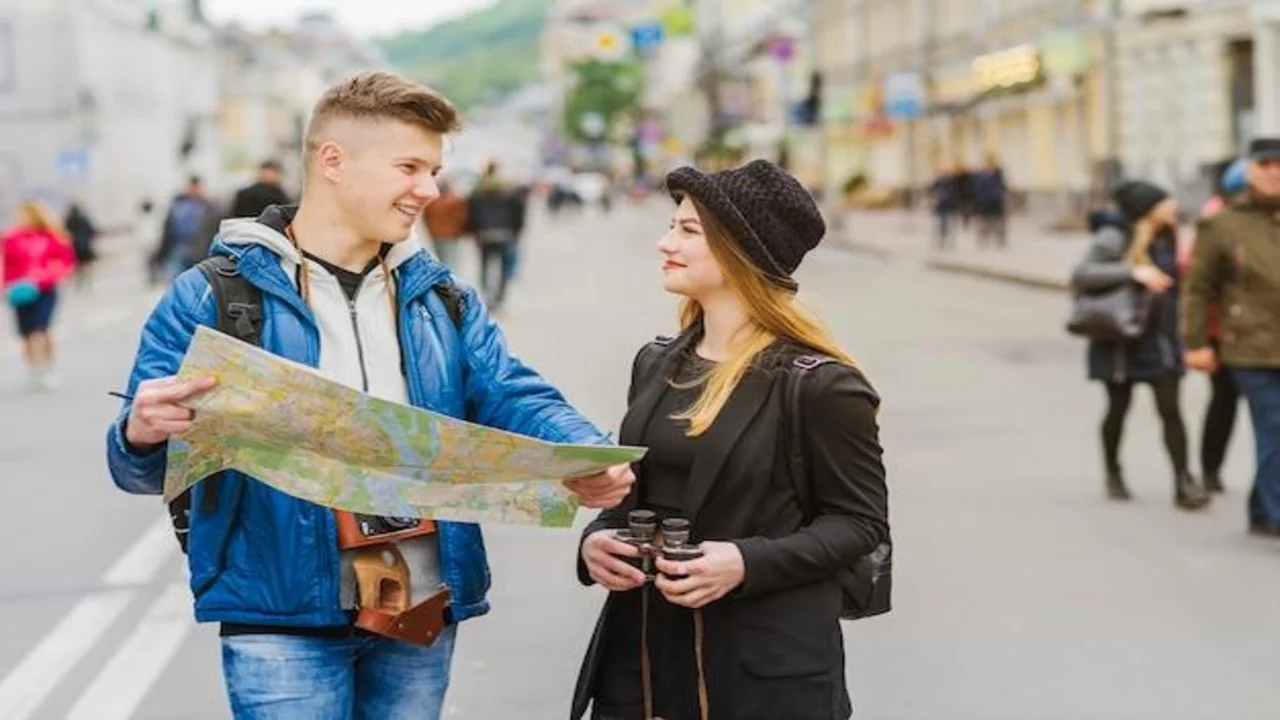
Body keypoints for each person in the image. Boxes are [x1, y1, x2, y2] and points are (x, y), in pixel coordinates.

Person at [105, 71, 635, 718]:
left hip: (416, 592)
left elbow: (509, 389)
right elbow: (138, 462)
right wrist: (140, 431)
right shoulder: (213, 294)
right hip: (281, 601)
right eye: (409, 166)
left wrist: (583, 450)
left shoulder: (441, 295)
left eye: (434, 169)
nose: (431, 189)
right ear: (333, 161)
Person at [572, 160, 890, 720]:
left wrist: (745, 562)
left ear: (741, 252)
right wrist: (597, 540)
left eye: (688, 230)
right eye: (673, 225)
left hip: (760, 671)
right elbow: (635, 495)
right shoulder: (655, 363)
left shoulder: (822, 387)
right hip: (642, 656)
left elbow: (860, 525)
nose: (663, 242)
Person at [1072, 181, 1210, 509]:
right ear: (1147, 208)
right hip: (1120, 339)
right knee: (1118, 410)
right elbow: (1082, 273)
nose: (1173, 205)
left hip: (1159, 340)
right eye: (1165, 200)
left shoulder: (1167, 235)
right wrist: (1134, 272)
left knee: (1171, 411)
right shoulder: (1115, 236)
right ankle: (1113, 471)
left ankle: (1183, 480)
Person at [1183, 137, 1280, 537]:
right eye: (1265, 165)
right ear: (1249, 172)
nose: (1274, 173)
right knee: (1274, 427)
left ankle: (1261, 508)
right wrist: (1196, 343)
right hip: (1249, 347)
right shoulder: (1224, 224)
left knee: (1274, 433)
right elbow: (1197, 287)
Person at [1180, 158, 1248, 493]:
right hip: (1224, 330)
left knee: (1231, 402)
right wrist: (1199, 340)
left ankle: (1213, 469)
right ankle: (1210, 468)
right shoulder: (1218, 221)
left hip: (1255, 329)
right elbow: (1195, 279)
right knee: (1225, 400)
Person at [2, 200, 76, 390]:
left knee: (40, 329)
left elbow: (66, 261)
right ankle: (33, 369)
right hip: (19, 291)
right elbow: (6, 265)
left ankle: (47, 367)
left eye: (22, 215)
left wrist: (49, 274)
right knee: (26, 332)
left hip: (44, 289)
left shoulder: (52, 237)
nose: (18, 219)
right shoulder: (11, 239)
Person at [465, 161, 526, 311]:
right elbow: (518, 211)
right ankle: (499, 297)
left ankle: (488, 295)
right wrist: (517, 230)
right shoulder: (508, 190)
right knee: (503, 268)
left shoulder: (477, 191)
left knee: (485, 265)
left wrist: (474, 230)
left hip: (484, 234)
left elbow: (471, 214)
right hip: (505, 234)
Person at [155, 175, 217, 280]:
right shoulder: (178, 203)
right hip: (178, 249)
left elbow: (211, 229)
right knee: (176, 280)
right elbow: (168, 227)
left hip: (199, 251)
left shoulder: (208, 206)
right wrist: (162, 251)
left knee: (196, 282)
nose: (194, 190)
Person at [421, 177, 467, 269]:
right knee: (451, 258)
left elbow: (426, 217)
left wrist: (431, 230)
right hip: (451, 235)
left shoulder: (432, 202)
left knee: (440, 258)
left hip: (436, 234)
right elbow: (461, 218)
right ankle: (449, 278)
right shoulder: (455, 200)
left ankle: (444, 277)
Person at [971, 153, 1008, 249]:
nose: (989, 165)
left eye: (991, 163)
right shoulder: (980, 175)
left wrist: (1000, 194)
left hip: (996, 201)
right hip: (984, 202)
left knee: (998, 222)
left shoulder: (998, 173)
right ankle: (983, 240)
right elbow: (976, 188)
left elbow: (1003, 186)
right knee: (984, 222)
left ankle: (1000, 240)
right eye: (988, 163)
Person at [64, 201, 98, 291]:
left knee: (78, 265)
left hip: (74, 247)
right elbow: (92, 231)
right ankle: (87, 282)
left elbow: (64, 234)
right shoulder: (84, 219)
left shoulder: (68, 221)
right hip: (85, 246)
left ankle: (80, 283)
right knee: (86, 265)